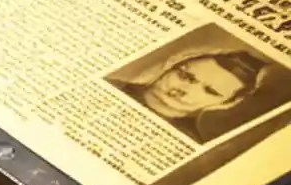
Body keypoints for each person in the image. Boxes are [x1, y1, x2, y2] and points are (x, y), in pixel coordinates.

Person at [110, 49, 269, 143]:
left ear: (227, 103)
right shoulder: (110, 84)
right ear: (171, 67)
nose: (182, 91)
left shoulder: (192, 143)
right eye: (185, 76)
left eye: (211, 91)